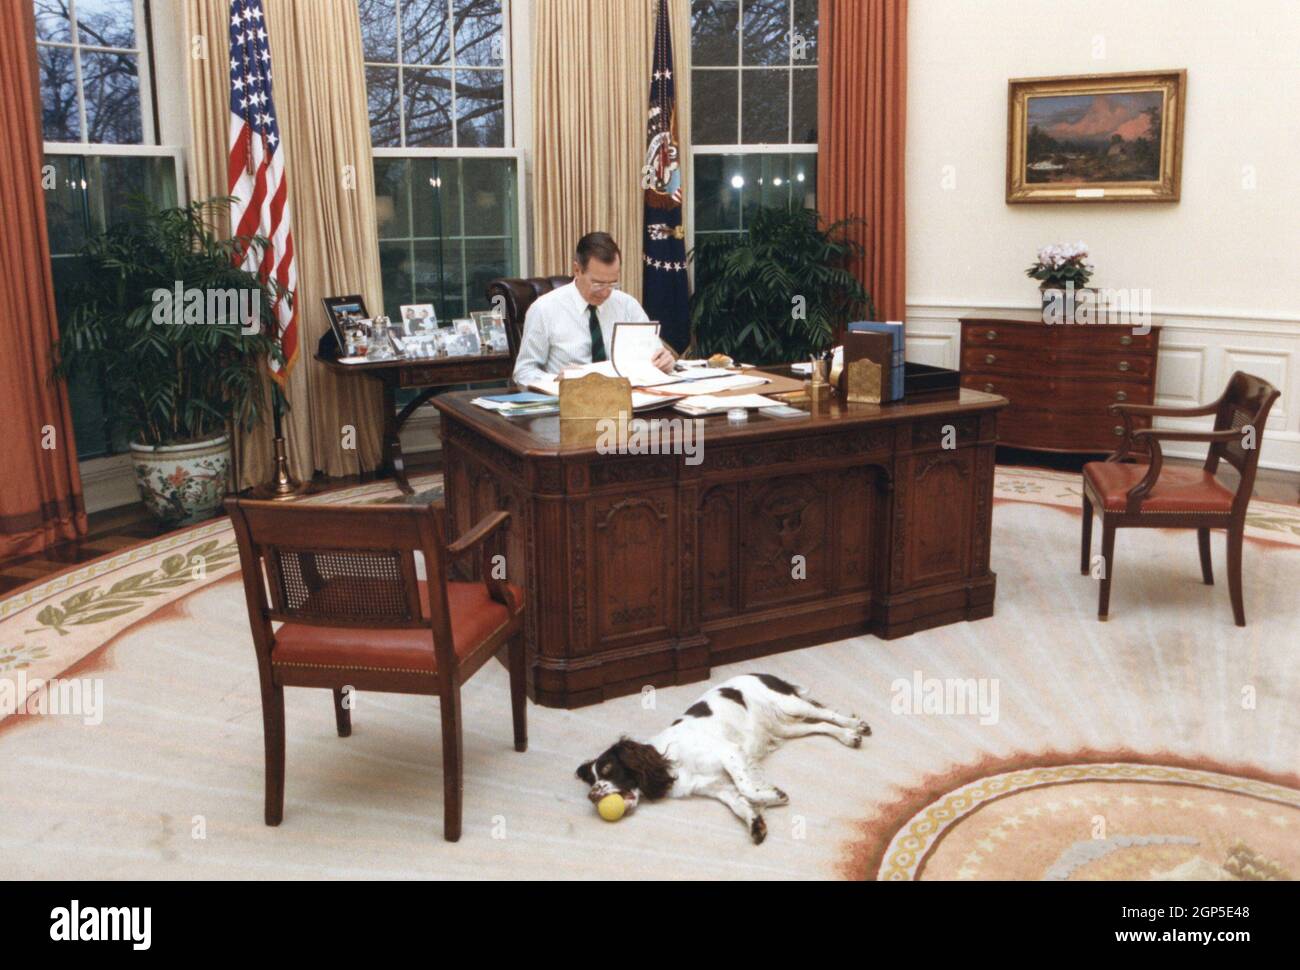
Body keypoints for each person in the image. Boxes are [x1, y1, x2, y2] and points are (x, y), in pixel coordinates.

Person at [512, 232, 675, 388]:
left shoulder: (627, 305)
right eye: (597, 283)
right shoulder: (544, 309)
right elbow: (523, 373)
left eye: (612, 283)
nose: (605, 292)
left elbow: (654, 355)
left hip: (627, 398)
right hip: (570, 404)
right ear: (577, 270)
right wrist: (555, 379)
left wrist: (665, 361)